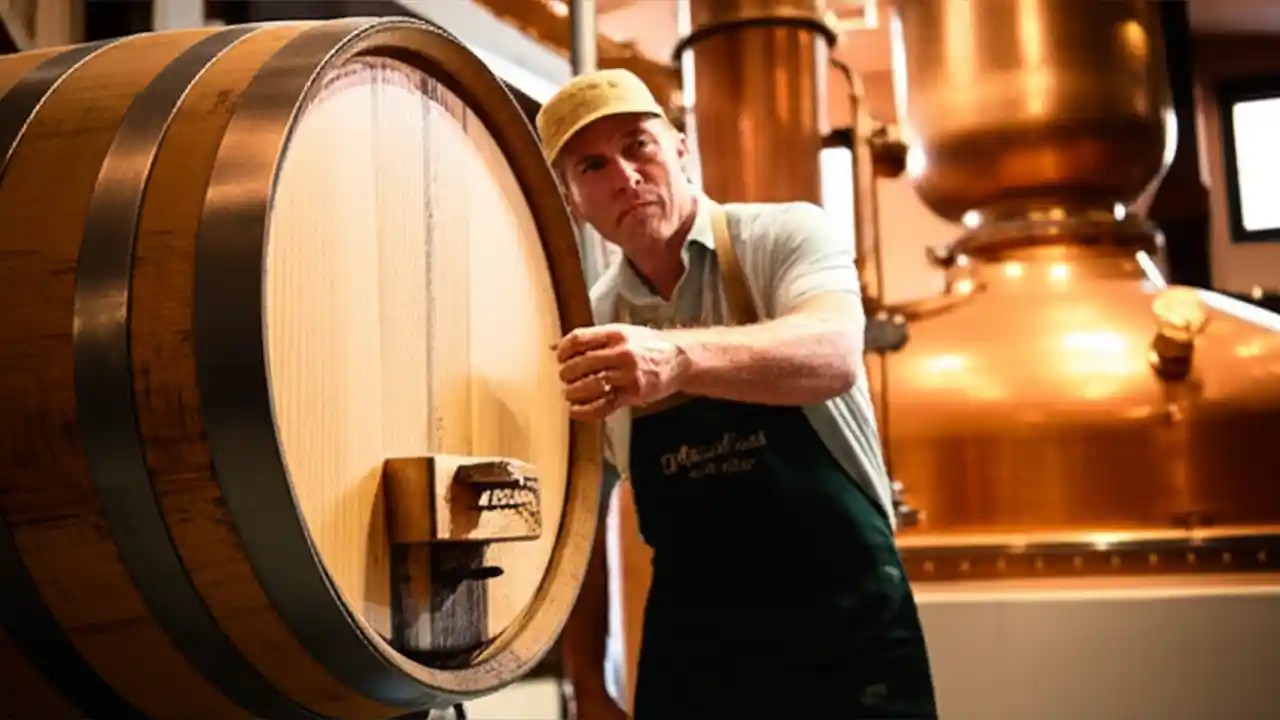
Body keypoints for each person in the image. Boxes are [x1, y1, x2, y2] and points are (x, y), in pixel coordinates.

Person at [536, 68, 937, 719]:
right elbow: (580, 514)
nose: (624, 175)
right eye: (592, 165)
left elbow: (833, 352)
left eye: (638, 145)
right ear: (575, 201)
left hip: (845, 633)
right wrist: (585, 681)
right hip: (700, 653)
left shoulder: (783, 238)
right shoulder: (592, 326)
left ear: (680, 149)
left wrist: (678, 359)